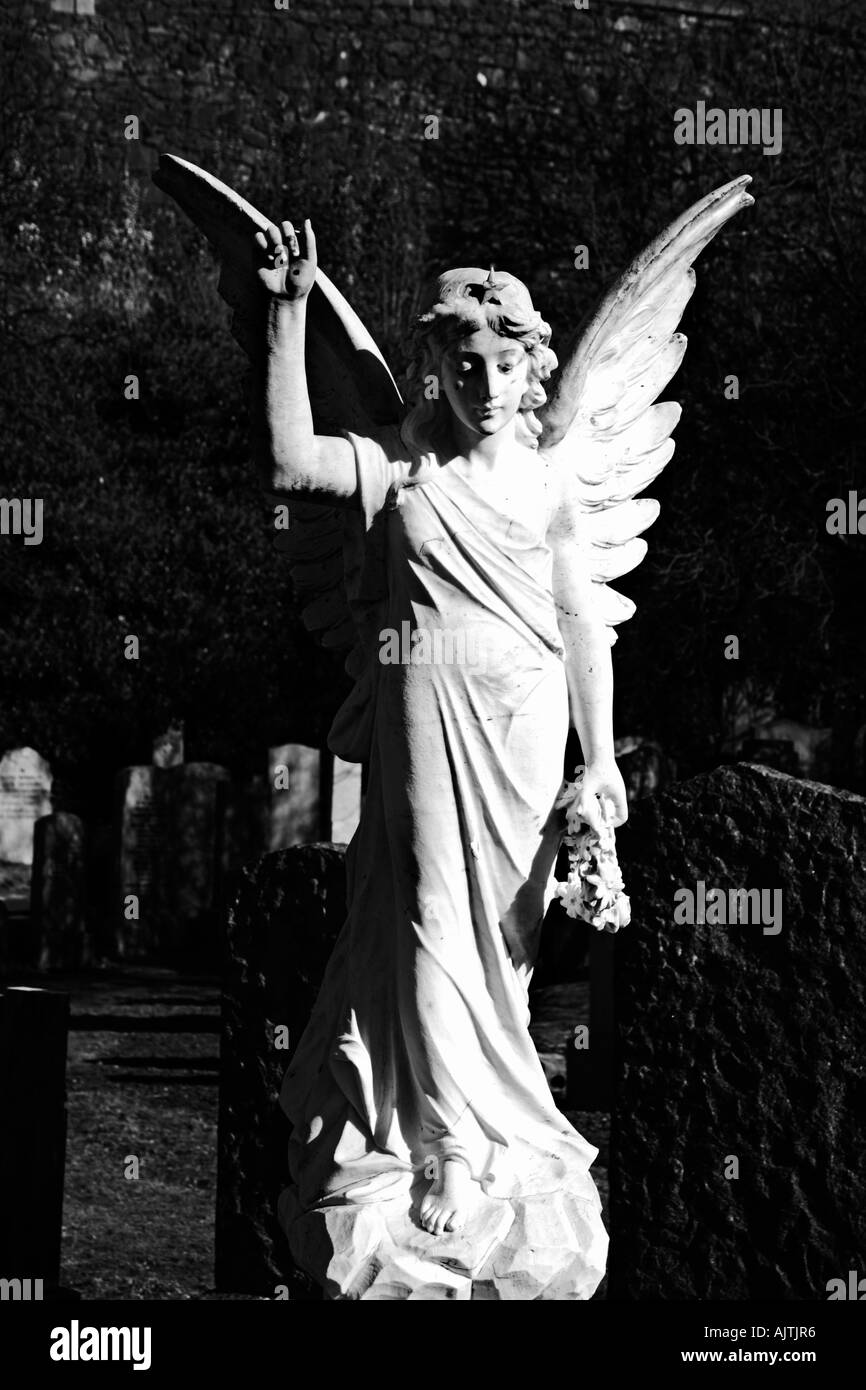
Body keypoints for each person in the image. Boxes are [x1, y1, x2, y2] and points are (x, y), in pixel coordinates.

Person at [255, 216, 627, 1257]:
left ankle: (493, 1125)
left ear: (530, 366)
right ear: (435, 365)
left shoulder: (547, 481)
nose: (486, 384)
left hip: (525, 719)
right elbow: (290, 460)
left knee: (500, 945)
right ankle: (447, 1145)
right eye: (465, 364)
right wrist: (290, 314)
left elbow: (578, 624)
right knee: (425, 909)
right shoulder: (401, 468)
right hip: (423, 699)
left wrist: (597, 760)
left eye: (505, 364)